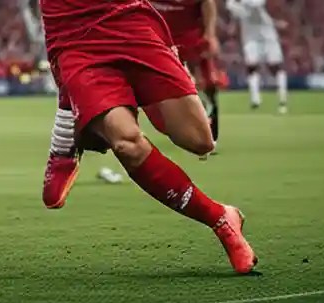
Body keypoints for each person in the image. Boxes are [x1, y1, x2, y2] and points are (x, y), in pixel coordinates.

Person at [38, 0, 257, 274]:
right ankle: (221, 219)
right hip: (76, 35)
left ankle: (86, 110)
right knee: (127, 143)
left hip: (128, 19)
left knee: (199, 140)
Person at [151, 0, 223, 141]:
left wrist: (210, 34)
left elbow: (208, 3)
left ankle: (210, 129)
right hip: (160, 37)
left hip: (192, 37)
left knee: (207, 83)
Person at [226, 0, 288, 114]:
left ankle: (282, 99)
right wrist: (233, 25)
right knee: (251, 66)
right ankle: (255, 99)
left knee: (275, 66)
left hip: (267, 36)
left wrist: (275, 23)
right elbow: (235, 14)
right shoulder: (232, 4)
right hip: (250, 38)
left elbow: (258, 8)